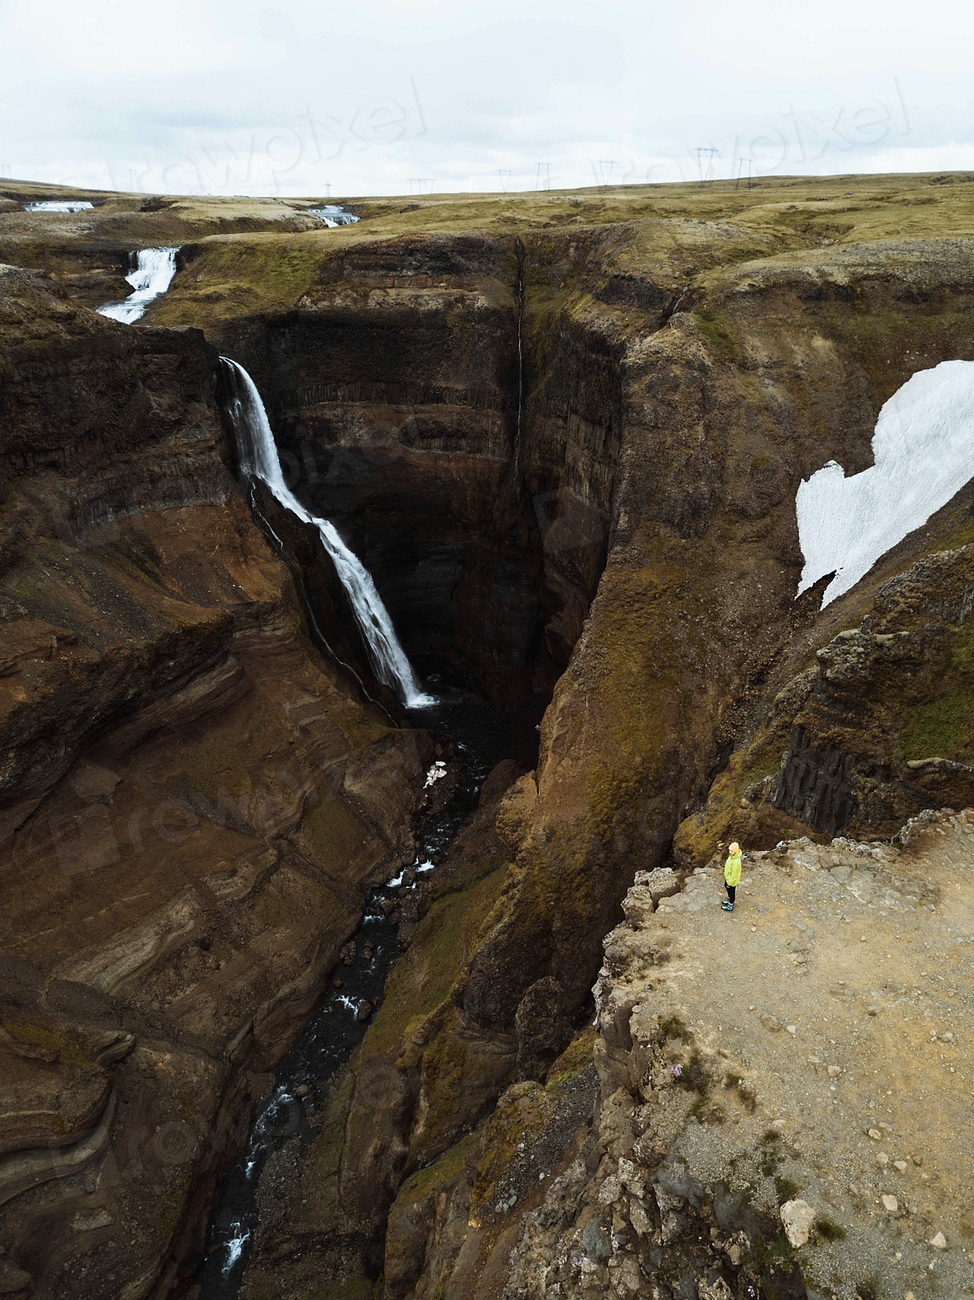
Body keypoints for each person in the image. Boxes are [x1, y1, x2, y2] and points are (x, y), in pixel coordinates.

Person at [722, 841, 742, 912]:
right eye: (729, 850)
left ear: (735, 852)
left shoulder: (736, 862)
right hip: (728, 878)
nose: (730, 852)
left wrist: (729, 883)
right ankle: (729, 899)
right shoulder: (732, 857)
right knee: (727, 888)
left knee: (731, 892)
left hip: (731, 881)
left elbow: (734, 874)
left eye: (731, 851)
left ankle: (731, 904)